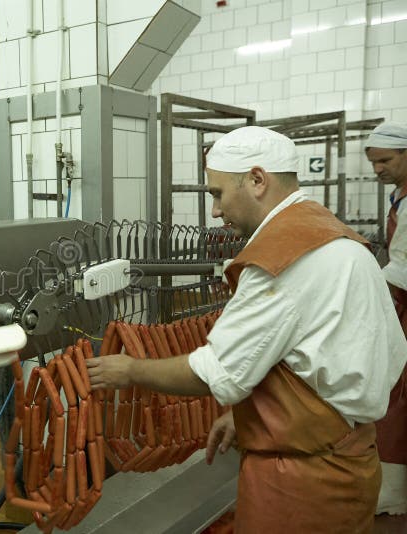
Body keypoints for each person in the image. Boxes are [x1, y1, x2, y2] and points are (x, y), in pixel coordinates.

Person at [87, 126, 407, 532]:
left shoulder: (280, 259)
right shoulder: (334, 236)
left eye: (217, 194)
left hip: (302, 485)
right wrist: (253, 416)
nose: (216, 211)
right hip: (350, 455)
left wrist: (129, 370)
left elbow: (215, 372)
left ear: (257, 180)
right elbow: (365, 355)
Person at [365, 122, 407, 516]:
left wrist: (363, 289)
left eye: (385, 160)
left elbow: (404, 268)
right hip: (400, 304)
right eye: (374, 162)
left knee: (396, 397)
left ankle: (394, 495)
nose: (378, 168)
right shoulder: (399, 195)